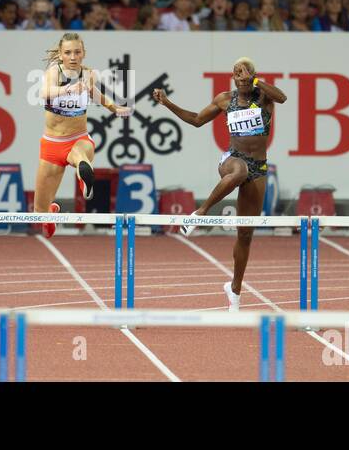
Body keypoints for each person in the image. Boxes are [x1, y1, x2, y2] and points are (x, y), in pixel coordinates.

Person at [151, 58, 288, 312]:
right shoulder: (225, 99)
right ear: (233, 77)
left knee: (245, 234)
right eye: (237, 73)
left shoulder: (264, 97)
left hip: (259, 168)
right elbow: (195, 120)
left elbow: (283, 97)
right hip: (232, 160)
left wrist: (256, 80)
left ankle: (235, 290)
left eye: (245, 72)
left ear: (254, 75)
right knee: (238, 171)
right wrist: (167, 102)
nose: (241, 76)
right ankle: (199, 213)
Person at [33, 33, 133, 238]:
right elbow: (44, 93)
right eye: (68, 52)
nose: (72, 57)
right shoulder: (55, 72)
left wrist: (114, 108)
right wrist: (68, 89)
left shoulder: (89, 75)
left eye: (77, 52)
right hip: (52, 145)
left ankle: (84, 176)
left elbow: (96, 95)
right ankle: (48, 216)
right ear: (61, 55)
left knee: (80, 157)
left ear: (83, 54)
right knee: (38, 211)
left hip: (78, 139)